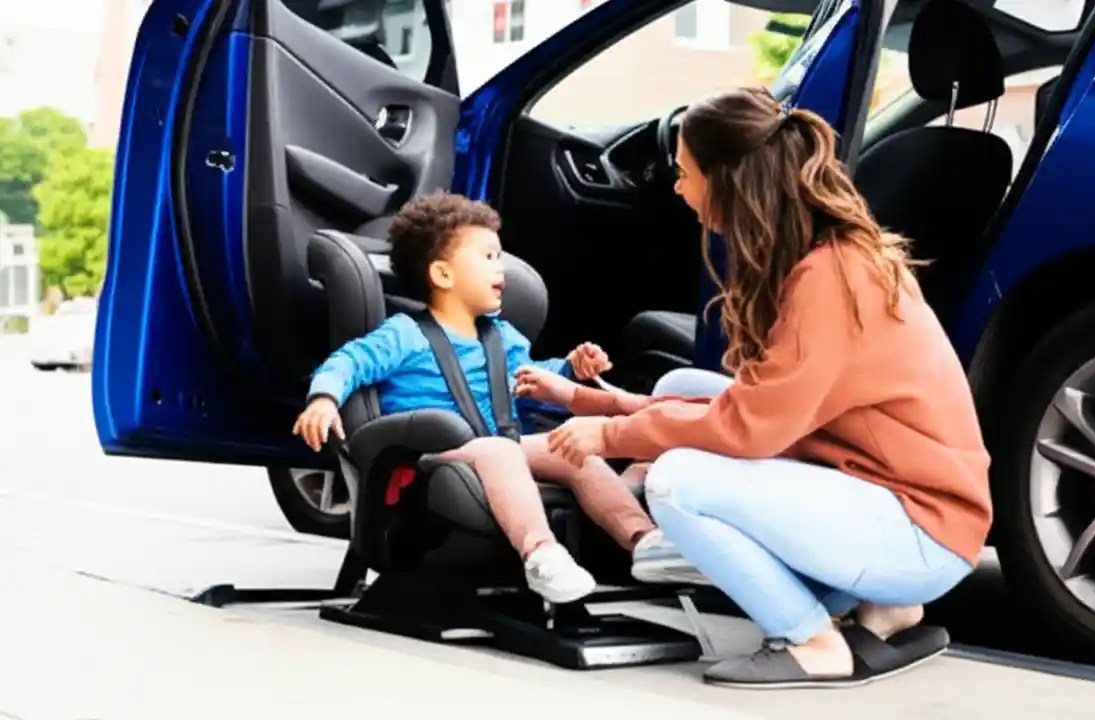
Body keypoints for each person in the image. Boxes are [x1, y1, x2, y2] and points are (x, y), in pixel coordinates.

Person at [544, 87, 993, 689]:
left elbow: (753, 428)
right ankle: (887, 608)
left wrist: (615, 434)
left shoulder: (829, 279)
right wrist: (619, 407)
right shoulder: (828, 257)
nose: (677, 188)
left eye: (684, 172)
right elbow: (764, 407)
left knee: (677, 482)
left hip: (920, 531)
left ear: (729, 180)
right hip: (904, 503)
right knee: (681, 384)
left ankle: (811, 641)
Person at [292, 191, 666, 605]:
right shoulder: (405, 334)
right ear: (443, 274)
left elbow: (532, 379)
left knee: (573, 448)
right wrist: (324, 398)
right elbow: (350, 361)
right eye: (487, 256)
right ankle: (541, 554)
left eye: (499, 256)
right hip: (433, 456)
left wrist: (571, 370)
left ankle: (645, 542)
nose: (500, 267)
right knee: (499, 450)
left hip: (498, 446)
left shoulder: (502, 337)